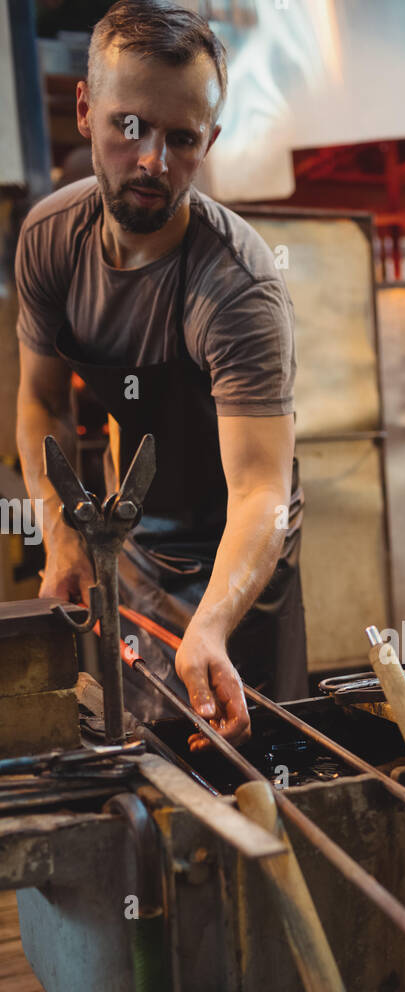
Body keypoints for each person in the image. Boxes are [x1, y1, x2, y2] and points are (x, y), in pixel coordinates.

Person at [15, 0, 307, 745]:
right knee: (135, 752)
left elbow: (262, 492)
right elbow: (41, 400)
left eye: (183, 139)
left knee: (248, 769)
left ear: (210, 137)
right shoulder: (50, 242)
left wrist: (211, 626)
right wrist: (61, 534)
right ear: (86, 110)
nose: (153, 162)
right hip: (138, 544)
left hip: (242, 562)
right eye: (130, 127)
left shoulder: (238, 288)